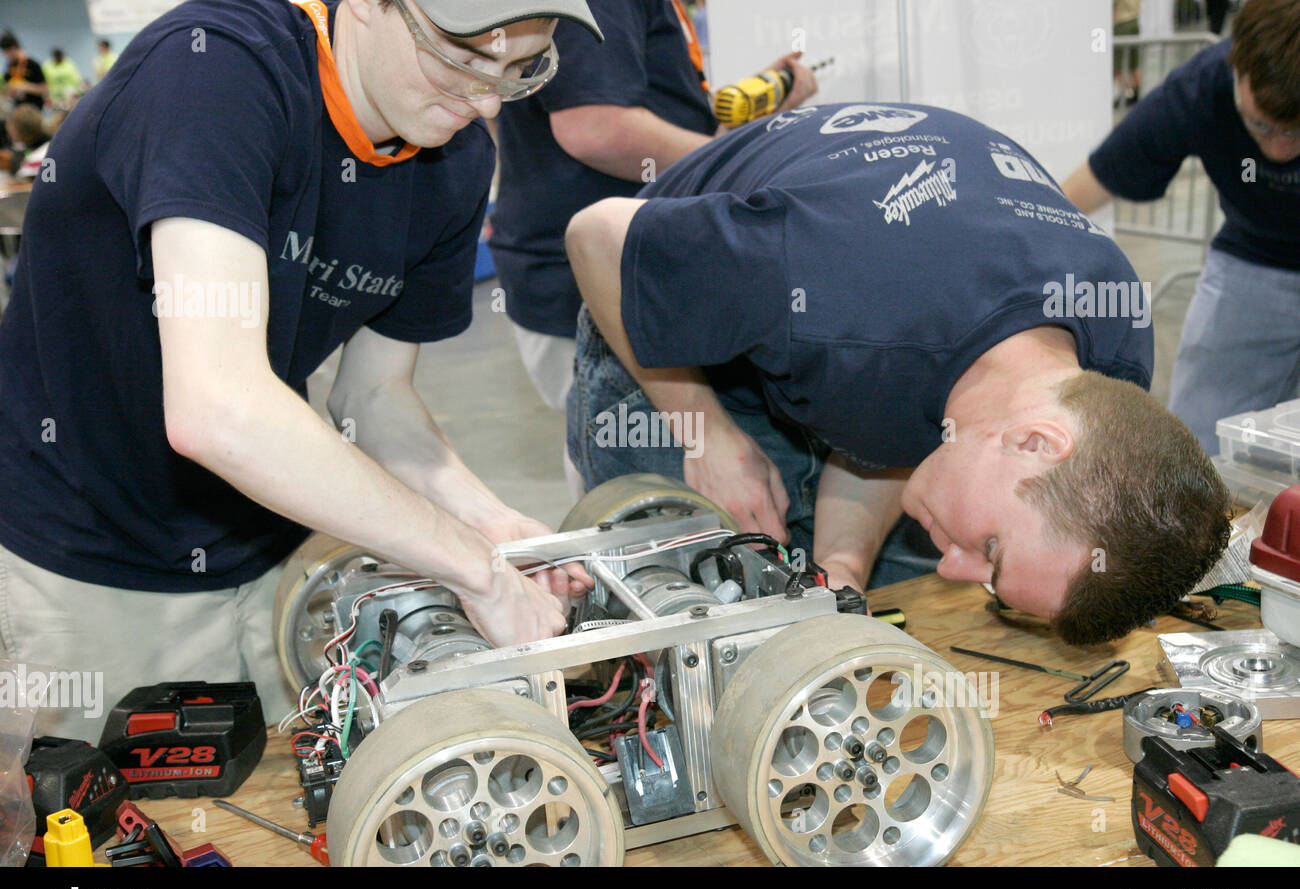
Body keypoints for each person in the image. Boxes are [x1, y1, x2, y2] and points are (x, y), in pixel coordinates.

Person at [0, 0, 602, 738]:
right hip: (84, 562)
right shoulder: (215, 74)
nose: (483, 101)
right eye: (463, 56)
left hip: (273, 551)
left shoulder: (453, 159)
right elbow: (217, 408)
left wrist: (492, 524)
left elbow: (374, 398)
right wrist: (470, 566)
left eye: (518, 71)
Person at [564, 101, 1231, 646]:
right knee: (692, 634)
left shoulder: (1106, 362)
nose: (954, 569)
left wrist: (844, 565)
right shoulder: (827, 282)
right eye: (990, 551)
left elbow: (886, 427)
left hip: (838, 330)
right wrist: (706, 436)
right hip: (661, 317)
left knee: (838, 605)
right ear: (1035, 443)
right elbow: (596, 237)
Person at [490, 0, 815, 479]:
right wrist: (738, 166)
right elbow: (596, 128)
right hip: (591, 282)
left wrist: (730, 132)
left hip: (620, 269)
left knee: (647, 462)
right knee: (642, 475)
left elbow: (626, 112)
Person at [1063, 0, 1300, 454]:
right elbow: (1094, 180)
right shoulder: (1201, 86)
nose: (1279, 149)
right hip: (1252, 256)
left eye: (1294, 131)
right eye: (1262, 126)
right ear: (1238, 69)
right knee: (1196, 441)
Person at [1, 33, 47, 109]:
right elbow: (8, 90)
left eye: (7, 52)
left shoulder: (32, 64)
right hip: (18, 109)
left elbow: (45, 89)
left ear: (14, 48)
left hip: (34, 110)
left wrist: (24, 86)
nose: (6, 56)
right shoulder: (9, 67)